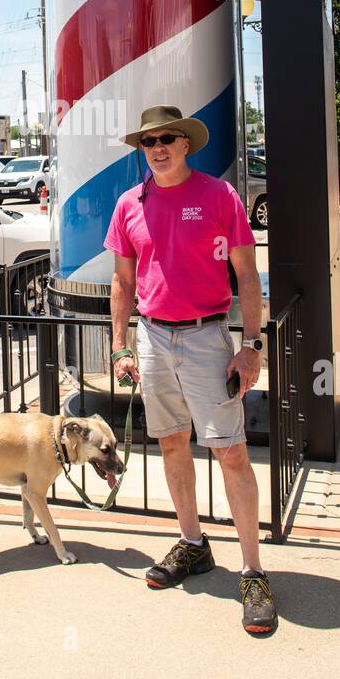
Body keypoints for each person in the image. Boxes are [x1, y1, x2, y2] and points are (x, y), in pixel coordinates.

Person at [104, 105, 276, 635]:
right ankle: (194, 544)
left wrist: (251, 346)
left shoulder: (219, 196)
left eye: (167, 138)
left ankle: (252, 571)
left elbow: (247, 274)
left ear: (185, 145)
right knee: (173, 444)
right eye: (148, 140)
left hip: (207, 337)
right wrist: (119, 346)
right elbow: (122, 283)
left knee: (229, 452)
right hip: (153, 338)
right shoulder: (128, 204)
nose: (157, 147)